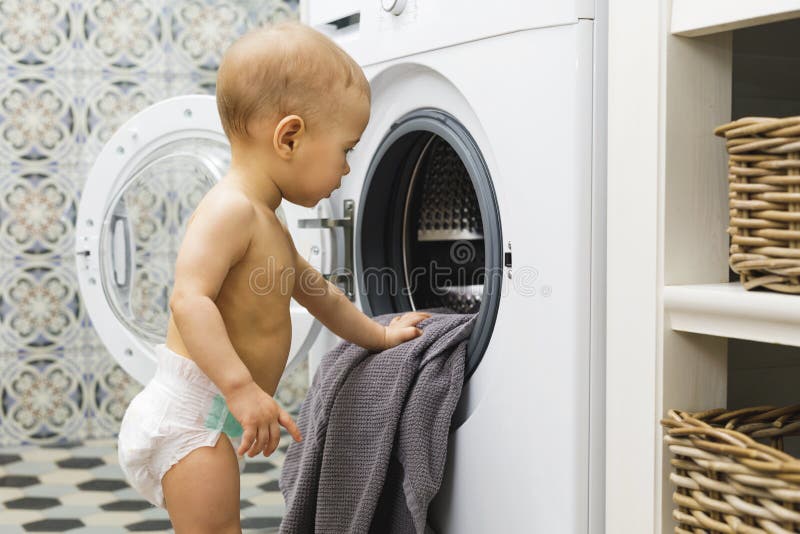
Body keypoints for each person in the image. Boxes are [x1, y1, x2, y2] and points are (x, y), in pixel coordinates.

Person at [116, 21, 430, 533]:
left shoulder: (267, 216)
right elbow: (189, 301)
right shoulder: (231, 210)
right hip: (191, 419)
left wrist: (379, 335)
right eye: (345, 150)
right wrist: (241, 390)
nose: (347, 170)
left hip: (212, 414)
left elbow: (315, 292)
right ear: (290, 137)